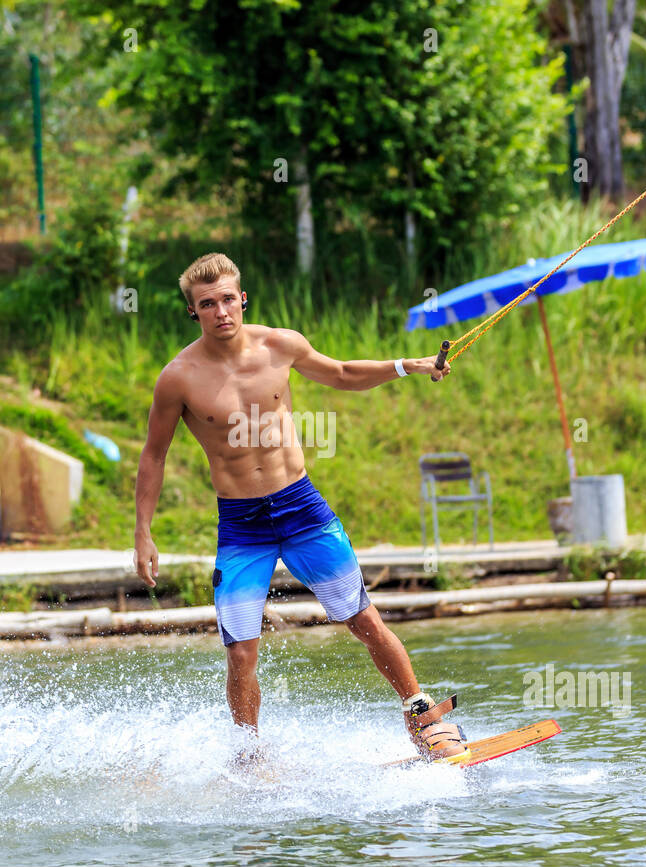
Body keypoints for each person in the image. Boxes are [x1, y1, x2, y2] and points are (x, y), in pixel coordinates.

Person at [133, 252, 467, 761]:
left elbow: (342, 374)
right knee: (241, 650)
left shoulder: (280, 345)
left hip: (301, 508)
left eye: (227, 299)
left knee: (363, 620)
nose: (220, 310)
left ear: (241, 299)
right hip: (242, 526)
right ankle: (249, 755)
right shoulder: (178, 377)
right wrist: (143, 532)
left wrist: (411, 364)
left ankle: (423, 718)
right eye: (207, 304)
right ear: (193, 312)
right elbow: (154, 455)